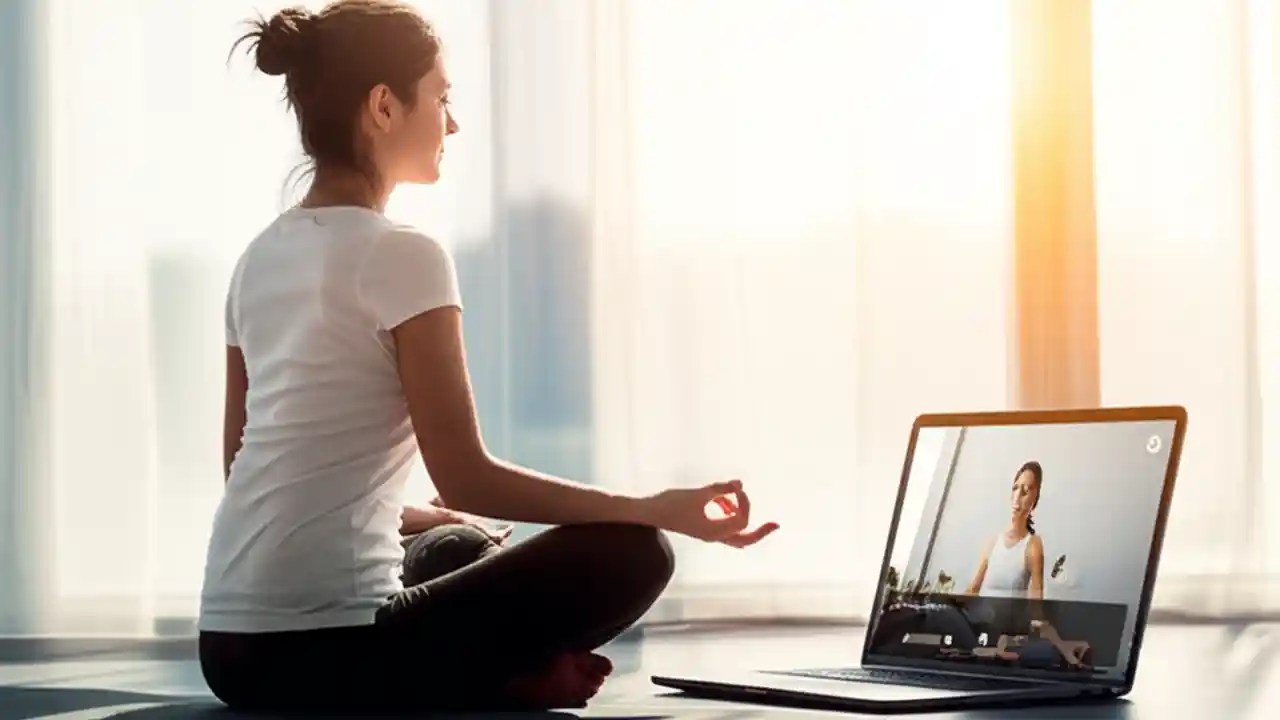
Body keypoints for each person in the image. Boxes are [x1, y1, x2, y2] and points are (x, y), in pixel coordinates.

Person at [198, 1, 779, 713]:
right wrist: (648, 506)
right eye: (442, 97)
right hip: (332, 650)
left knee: (455, 548)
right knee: (638, 551)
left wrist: (429, 519)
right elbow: (467, 474)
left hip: (226, 650)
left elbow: (244, 467)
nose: (453, 122)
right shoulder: (403, 255)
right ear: (384, 106)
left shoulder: (256, 260)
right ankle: (509, 678)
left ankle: (505, 668)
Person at [965, 461, 1046, 600]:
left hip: (1012, 621)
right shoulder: (993, 542)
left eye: (1025, 491)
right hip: (983, 620)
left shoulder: (1033, 545)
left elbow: (1036, 599)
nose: (1017, 496)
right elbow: (973, 589)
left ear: (1034, 501)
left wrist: (1039, 620)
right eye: (1015, 488)